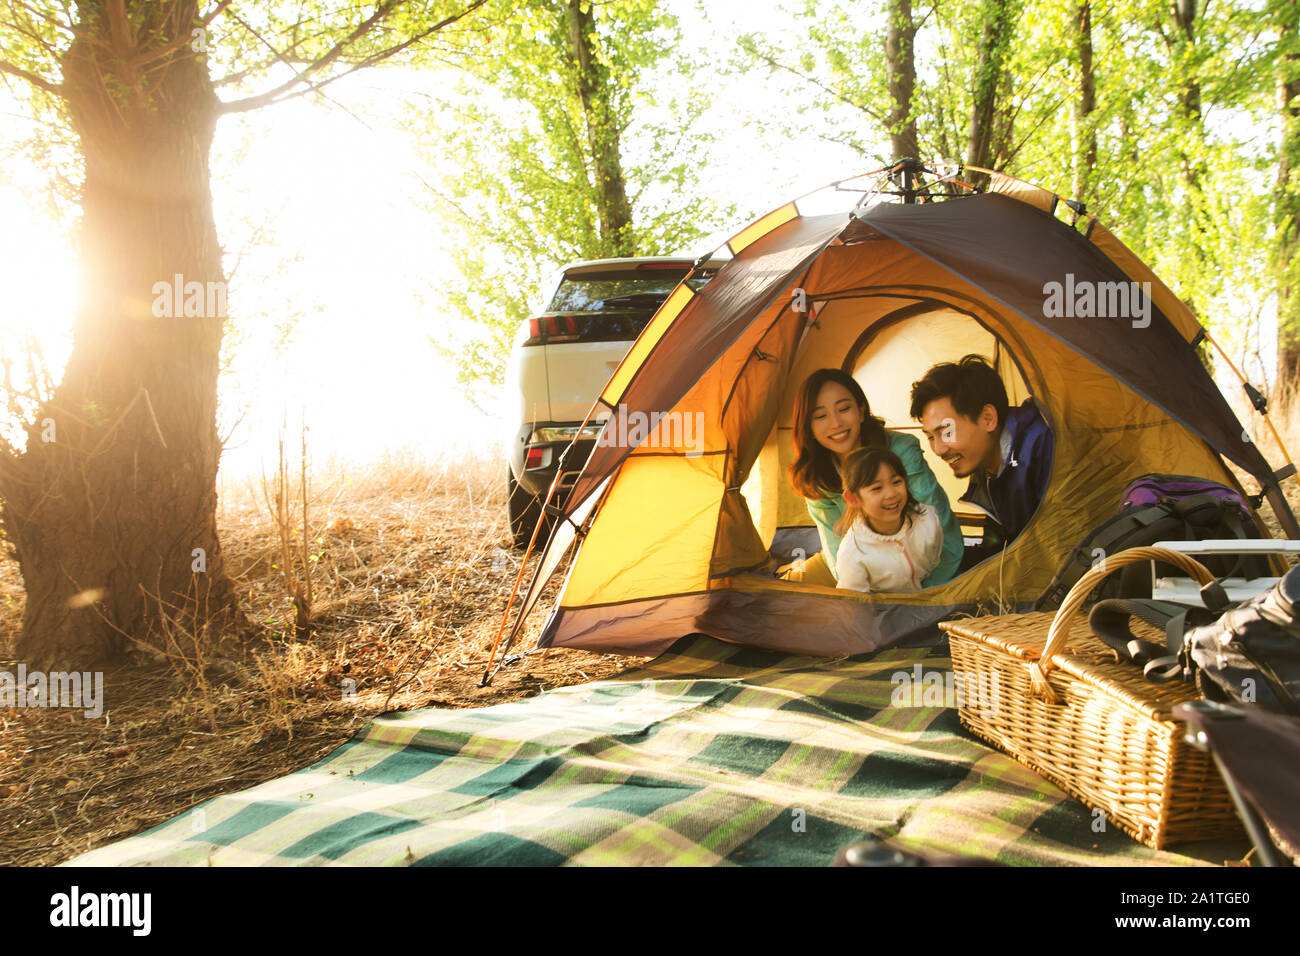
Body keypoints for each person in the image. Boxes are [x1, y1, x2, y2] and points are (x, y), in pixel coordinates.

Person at [786, 368, 963, 587]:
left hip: (917, 569)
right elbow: (837, 555)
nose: (836, 423)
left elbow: (943, 531)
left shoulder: (901, 450)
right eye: (821, 416)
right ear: (809, 427)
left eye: (844, 409)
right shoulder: (815, 476)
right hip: (860, 568)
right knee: (786, 592)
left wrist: (928, 597)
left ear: (861, 411)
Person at [909, 354, 1054, 554]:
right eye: (931, 437)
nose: (938, 450)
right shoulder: (984, 464)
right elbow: (1000, 546)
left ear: (988, 418)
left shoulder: (1044, 445)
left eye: (946, 432)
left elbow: (1068, 544)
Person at [834, 446, 944, 593]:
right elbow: (854, 603)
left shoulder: (927, 519)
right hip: (885, 610)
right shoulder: (852, 553)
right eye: (877, 488)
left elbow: (937, 564)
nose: (891, 494)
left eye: (897, 482)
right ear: (853, 498)